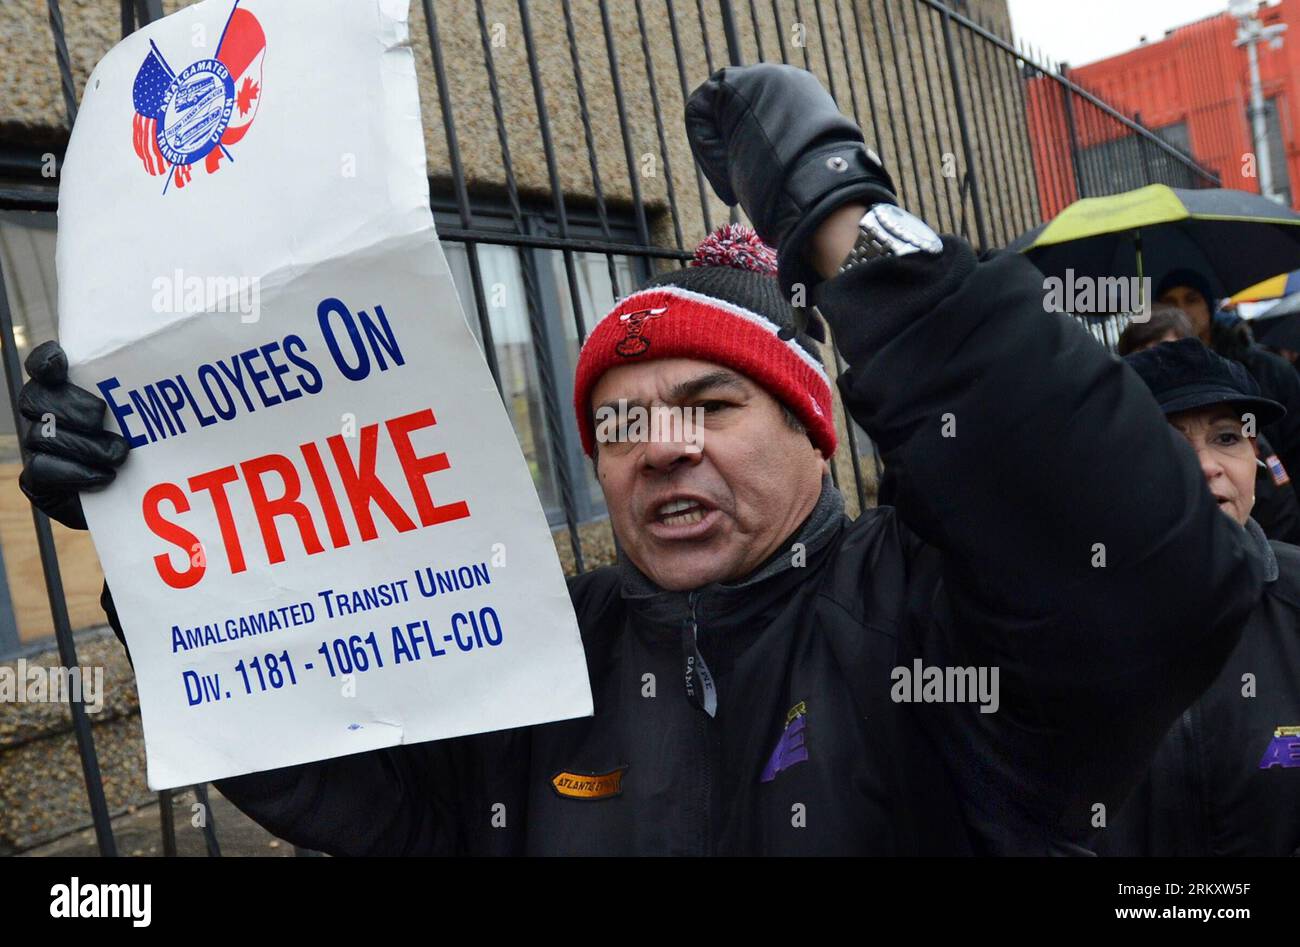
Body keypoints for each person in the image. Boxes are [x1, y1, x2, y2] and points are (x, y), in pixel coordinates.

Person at [18, 64, 1265, 855]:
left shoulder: (934, 620)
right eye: (620, 420)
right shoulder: (539, 653)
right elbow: (358, 786)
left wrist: (847, 220)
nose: (661, 444)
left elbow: (1143, 572)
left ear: (810, 427)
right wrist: (153, 542)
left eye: (714, 402)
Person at [1094, 339, 1300, 856]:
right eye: (1167, 442)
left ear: (1255, 458)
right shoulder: (1057, 616)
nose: (1206, 465)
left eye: (1227, 437)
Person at [1158, 268, 1300, 479]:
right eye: (1170, 303)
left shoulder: (1268, 369)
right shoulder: (1153, 384)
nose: (1181, 310)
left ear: (1209, 307)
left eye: (1191, 299)